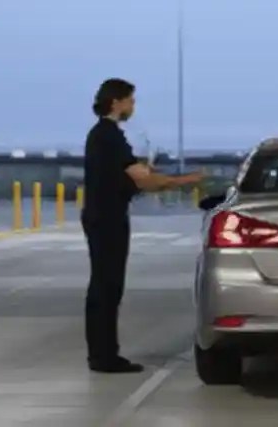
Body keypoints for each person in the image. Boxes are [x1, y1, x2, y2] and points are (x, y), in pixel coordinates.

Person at [83, 78, 203, 373]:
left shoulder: (101, 135)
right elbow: (144, 179)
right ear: (116, 102)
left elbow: (136, 175)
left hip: (101, 215)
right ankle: (104, 356)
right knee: (108, 286)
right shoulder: (109, 136)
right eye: (130, 100)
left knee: (103, 285)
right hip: (108, 218)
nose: (133, 106)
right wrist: (185, 181)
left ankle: (101, 353)